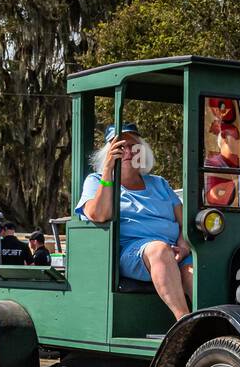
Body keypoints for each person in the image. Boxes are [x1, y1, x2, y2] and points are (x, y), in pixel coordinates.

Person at [77, 124, 192, 321]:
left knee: (195, 270)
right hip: (133, 254)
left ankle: (216, 328)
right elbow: (99, 215)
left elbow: (185, 221)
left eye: (133, 146)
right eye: (121, 146)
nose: (128, 151)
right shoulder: (96, 181)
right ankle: (186, 323)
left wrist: (183, 245)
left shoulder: (159, 183)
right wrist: (107, 172)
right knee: (159, 249)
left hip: (174, 251)